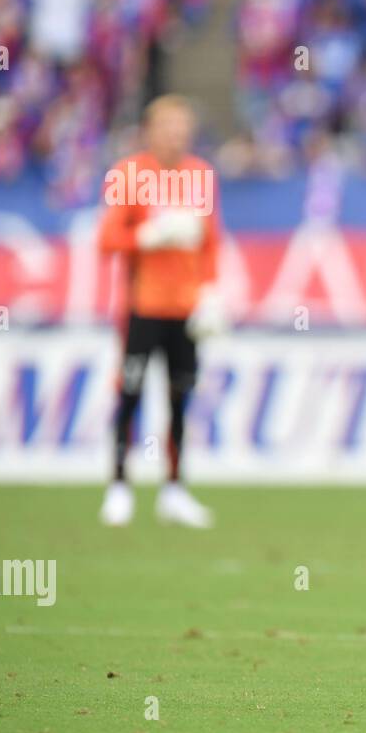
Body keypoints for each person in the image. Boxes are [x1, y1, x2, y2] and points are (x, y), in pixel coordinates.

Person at [96, 95, 226, 529]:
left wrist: (209, 292)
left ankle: (173, 488)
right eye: (168, 126)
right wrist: (148, 235)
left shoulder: (201, 176)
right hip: (142, 306)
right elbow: (108, 240)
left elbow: (210, 242)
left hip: (185, 310)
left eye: (183, 126)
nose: (177, 134)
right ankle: (118, 486)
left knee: (180, 398)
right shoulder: (129, 174)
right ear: (149, 129)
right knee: (129, 395)